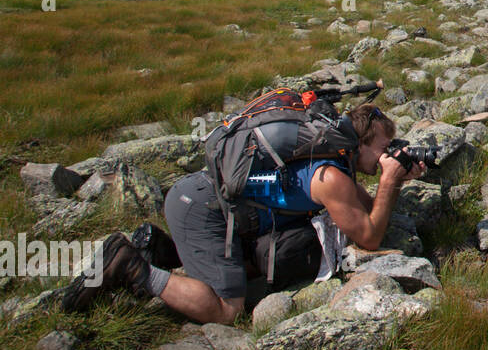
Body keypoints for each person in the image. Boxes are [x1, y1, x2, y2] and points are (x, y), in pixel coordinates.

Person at [62, 104, 425, 324]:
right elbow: (370, 235)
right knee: (226, 310)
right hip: (202, 209)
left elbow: (362, 208)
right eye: (382, 148)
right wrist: (390, 181)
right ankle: (131, 266)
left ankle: (159, 250)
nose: (385, 155)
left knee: (250, 259)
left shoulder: (333, 159)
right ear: (358, 143)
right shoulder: (330, 176)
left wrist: (396, 177)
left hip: (206, 200)